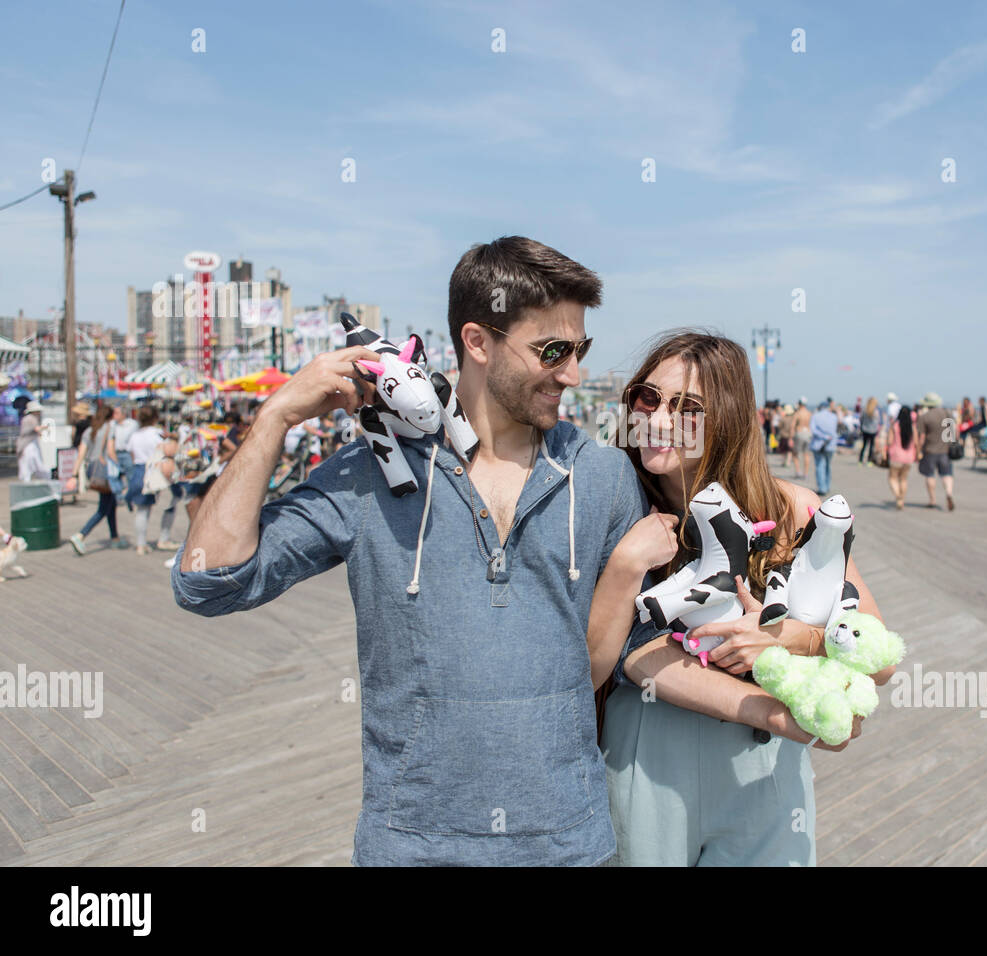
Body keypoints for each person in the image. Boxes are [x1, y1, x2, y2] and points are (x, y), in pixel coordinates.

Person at [173, 235, 643, 866]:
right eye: (552, 350)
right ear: (478, 341)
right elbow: (209, 582)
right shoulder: (371, 474)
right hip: (414, 848)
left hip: (572, 846)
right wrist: (276, 417)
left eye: (580, 349)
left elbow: (646, 648)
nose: (573, 373)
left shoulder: (605, 476)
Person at [588, 330, 893, 866]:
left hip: (765, 768)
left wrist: (792, 637)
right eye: (648, 398)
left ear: (726, 417)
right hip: (648, 752)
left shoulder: (794, 509)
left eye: (688, 408)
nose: (658, 420)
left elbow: (879, 654)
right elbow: (619, 655)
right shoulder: (618, 510)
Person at [68, 405, 129, 554]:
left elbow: (81, 454)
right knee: (104, 508)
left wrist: (74, 475)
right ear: (109, 417)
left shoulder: (89, 431)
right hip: (106, 471)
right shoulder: (109, 428)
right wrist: (121, 470)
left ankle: (114, 538)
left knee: (110, 503)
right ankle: (81, 534)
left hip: (92, 470)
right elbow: (110, 451)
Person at [125, 406, 165, 554]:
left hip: (138, 470)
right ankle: (142, 544)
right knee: (145, 510)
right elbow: (163, 452)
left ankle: (141, 543)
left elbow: (131, 454)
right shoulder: (157, 434)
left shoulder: (135, 435)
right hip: (152, 470)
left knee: (141, 509)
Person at [915, 392, 956, 511]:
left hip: (930, 450)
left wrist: (918, 451)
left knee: (930, 475)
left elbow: (921, 437)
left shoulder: (925, 417)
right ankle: (949, 493)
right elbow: (952, 433)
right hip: (945, 450)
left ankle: (932, 500)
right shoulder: (947, 413)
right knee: (947, 474)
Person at [884, 403, 917, 510]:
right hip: (909, 457)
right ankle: (902, 499)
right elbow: (916, 442)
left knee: (892, 478)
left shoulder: (895, 425)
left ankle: (898, 496)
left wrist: (885, 451)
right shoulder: (912, 427)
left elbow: (889, 441)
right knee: (903, 479)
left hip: (896, 456)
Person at [809, 399, 839, 495]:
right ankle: (827, 485)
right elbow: (834, 430)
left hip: (818, 444)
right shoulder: (834, 417)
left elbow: (813, 430)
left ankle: (822, 488)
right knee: (827, 465)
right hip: (830, 445)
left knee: (819, 465)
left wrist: (823, 437)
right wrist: (828, 437)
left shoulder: (815, 416)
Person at [16, 401, 48, 481]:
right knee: (32, 463)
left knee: (27, 464)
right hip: (28, 444)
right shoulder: (31, 418)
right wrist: (45, 427)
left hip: (28, 444)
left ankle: (27, 480)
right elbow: (37, 429)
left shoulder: (28, 418)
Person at [790, 397, 812, 479]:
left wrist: (791, 438)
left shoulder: (797, 413)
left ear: (799, 404)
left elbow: (792, 426)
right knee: (806, 454)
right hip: (808, 434)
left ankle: (798, 472)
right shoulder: (809, 413)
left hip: (799, 433)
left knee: (795, 454)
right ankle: (805, 473)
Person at [858, 396, 881, 465]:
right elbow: (878, 421)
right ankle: (869, 461)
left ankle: (860, 460)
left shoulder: (864, 410)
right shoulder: (875, 411)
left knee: (864, 445)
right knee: (871, 446)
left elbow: (860, 419)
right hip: (873, 430)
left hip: (865, 429)